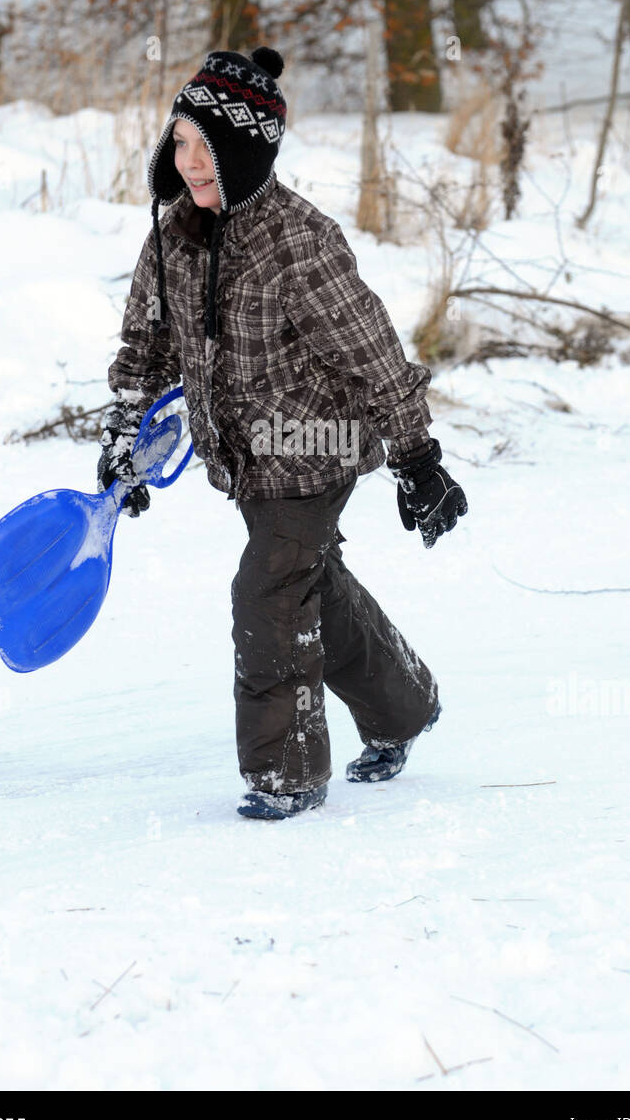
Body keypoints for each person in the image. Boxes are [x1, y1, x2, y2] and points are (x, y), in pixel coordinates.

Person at [97, 46, 468, 821]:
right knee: (311, 587)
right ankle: (404, 706)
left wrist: (416, 456)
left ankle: (286, 771)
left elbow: (372, 352)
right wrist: (124, 437)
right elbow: (146, 343)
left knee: (266, 589)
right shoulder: (173, 235)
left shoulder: (300, 241)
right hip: (242, 456)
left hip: (315, 449)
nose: (189, 161)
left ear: (244, 149)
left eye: (205, 145)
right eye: (180, 142)